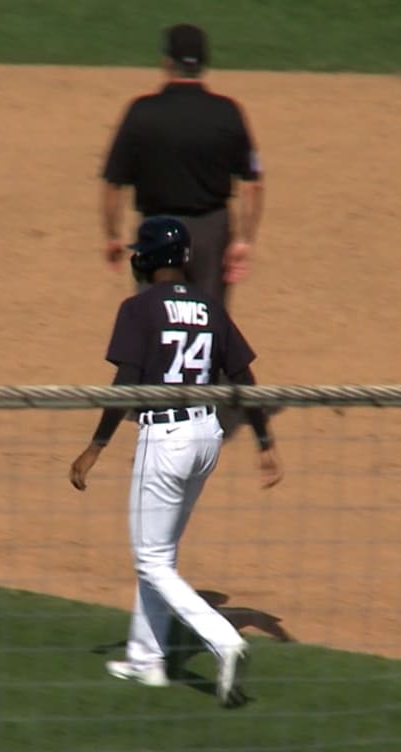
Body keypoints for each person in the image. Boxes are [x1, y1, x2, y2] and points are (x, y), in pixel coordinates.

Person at [69, 216, 283, 708]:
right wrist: (264, 439)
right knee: (159, 554)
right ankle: (146, 660)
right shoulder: (209, 307)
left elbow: (127, 382)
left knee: (152, 559)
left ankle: (222, 640)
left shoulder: (138, 308)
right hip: (207, 435)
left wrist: (97, 444)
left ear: (147, 258)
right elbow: (244, 378)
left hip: (165, 438)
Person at [99, 22, 265, 310]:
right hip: (210, 233)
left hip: (157, 231)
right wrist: (243, 241)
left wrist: (112, 235)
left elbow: (114, 183)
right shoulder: (227, 112)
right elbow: (253, 183)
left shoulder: (142, 112)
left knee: (157, 322)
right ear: (204, 64)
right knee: (208, 322)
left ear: (167, 63)